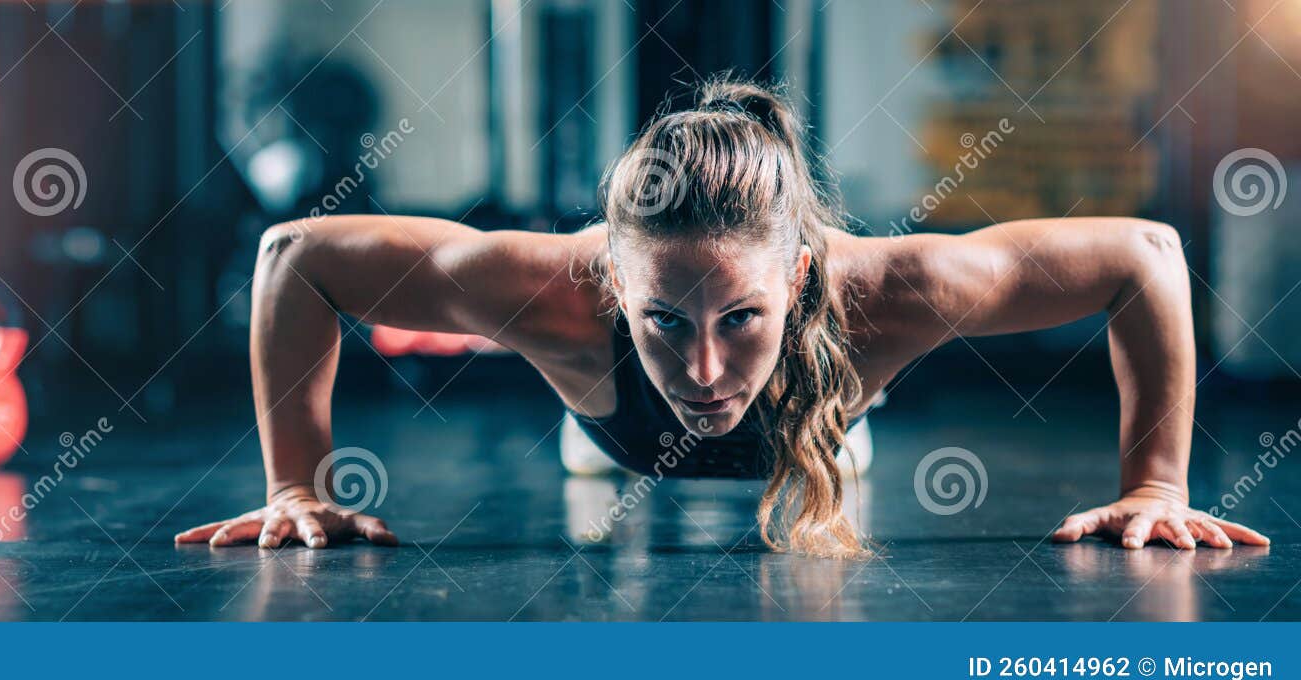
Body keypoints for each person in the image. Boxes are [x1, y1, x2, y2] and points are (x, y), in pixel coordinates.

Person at [175, 77, 1270, 557]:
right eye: (662, 321)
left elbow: (1147, 257)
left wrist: (1154, 488)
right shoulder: (547, 291)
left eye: (740, 318)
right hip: (607, 435)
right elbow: (294, 257)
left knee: (830, 449)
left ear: (797, 276)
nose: (702, 366)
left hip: (823, 423)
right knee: (598, 464)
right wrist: (294, 491)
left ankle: (816, 406)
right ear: (610, 285)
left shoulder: (889, 291)